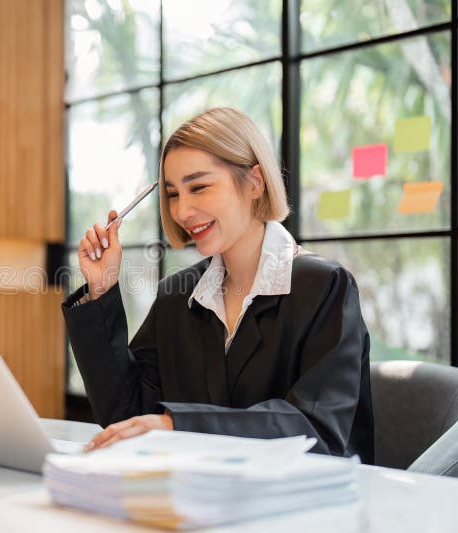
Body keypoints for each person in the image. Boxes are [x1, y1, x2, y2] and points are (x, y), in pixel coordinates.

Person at [62, 107, 374, 464]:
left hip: (308, 507)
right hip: (201, 499)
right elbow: (126, 412)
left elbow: (315, 429)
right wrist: (101, 289)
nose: (181, 211)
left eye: (199, 187)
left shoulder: (324, 288)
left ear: (255, 182)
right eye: (173, 194)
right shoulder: (178, 295)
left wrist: (177, 425)